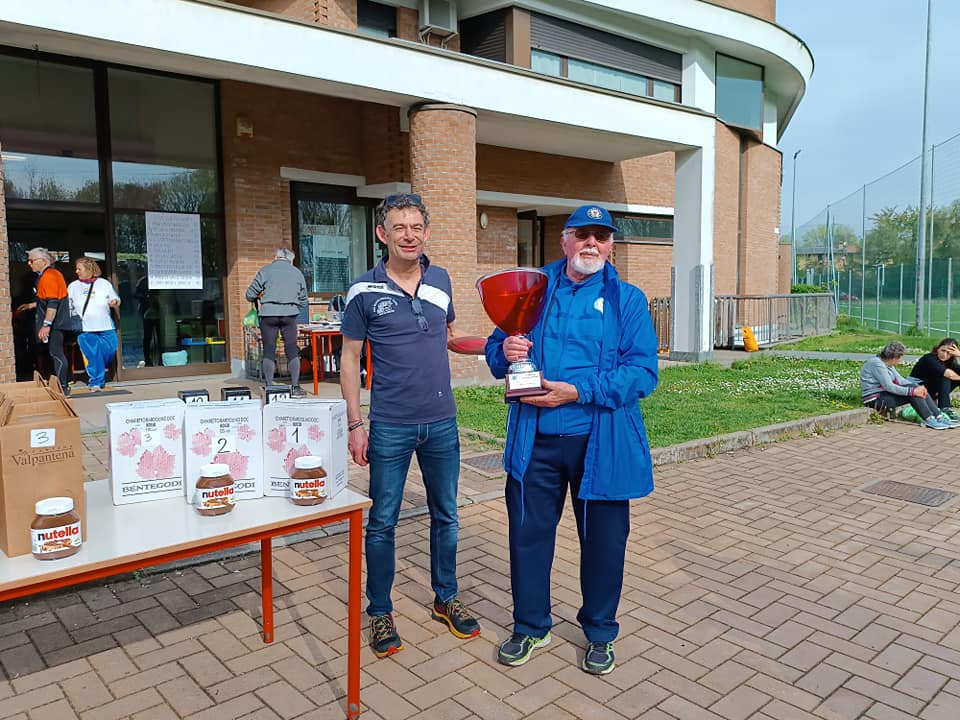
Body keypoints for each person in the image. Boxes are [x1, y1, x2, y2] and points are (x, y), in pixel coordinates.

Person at [484, 205, 659, 676]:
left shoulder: (627, 299)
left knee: (604, 544)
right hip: (534, 442)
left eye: (601, 237)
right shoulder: (533, 288)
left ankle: (599, 632)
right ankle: (530, 625)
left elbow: (643, 373)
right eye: (582, 234)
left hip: (599, 445)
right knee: (527, 536)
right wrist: (504, 350)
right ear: (563, 240)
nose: (591, 244)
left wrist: (578, 391)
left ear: (611, 245)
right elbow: (494, 349)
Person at [340, 193, 480, 658]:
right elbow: (350, 358)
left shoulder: (440, 280)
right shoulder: (363, 290)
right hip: (390, 425)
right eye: (399, 228)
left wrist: (501, 343)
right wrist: (355, 422)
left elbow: (452, 339)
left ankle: (446, 596)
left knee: (448, 515)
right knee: (382, 522)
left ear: (425, 231)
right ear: (382, 234)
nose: (409, 236)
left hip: (442, 422)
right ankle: (380, 610)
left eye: (416, 227)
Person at [245, 248, 308, 396]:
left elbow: (249, 294)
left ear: (276, 257)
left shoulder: (265, 271)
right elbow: (304, 300)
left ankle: (269, 386)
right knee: (292, 350)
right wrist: (292, 304)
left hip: (268, 316)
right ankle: (295, 386)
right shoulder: (297, 273)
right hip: (290, 316)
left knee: (269, 350)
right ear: (290, 259)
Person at [861, 341, 957, 429]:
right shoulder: (877, 364)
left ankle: (938, 416)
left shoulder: (887, 364)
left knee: (916, 389)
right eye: (900, 358)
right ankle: (929, 419)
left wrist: (917, 387)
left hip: (884, 395)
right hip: (875, 399)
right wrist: (912, 391)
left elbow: (901, 381)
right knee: (913, 393)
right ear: (895, 357)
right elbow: (889, 386)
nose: (900, 361)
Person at [15, 248, 70, 392]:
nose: (29, 263)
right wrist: (30, 305)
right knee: (51, 353)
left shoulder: (50, 276)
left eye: (32, 261)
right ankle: (59, 385)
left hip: (56, 323)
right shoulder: (44, 276)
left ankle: (63, 387)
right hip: (52, 322)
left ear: (44, 261)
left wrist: (47, 325)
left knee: (56, 353)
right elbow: (45, 300)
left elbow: (53, 303)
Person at [68, 257, 121, 392]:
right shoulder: (73, 286)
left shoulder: (104, 284)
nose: (76, 271)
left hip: (106, 326)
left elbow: (115, 298)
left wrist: (114, 302)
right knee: (92, 355)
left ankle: (99, 371)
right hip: (85, 328)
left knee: (111, 348)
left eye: (79, 269)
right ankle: (96, 382)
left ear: (90, 269)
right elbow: (68, 306)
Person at [909, 338, 960, 419]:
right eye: (943, 350)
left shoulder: (949, 362)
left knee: (955, 377)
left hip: (930, 388)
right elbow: (948, 374)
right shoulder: (929, 358)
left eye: (949, 353)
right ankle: (945, 408)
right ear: (937, 349)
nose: (945, 355)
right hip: (916, 386)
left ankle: (941, 401)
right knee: (945, 376)